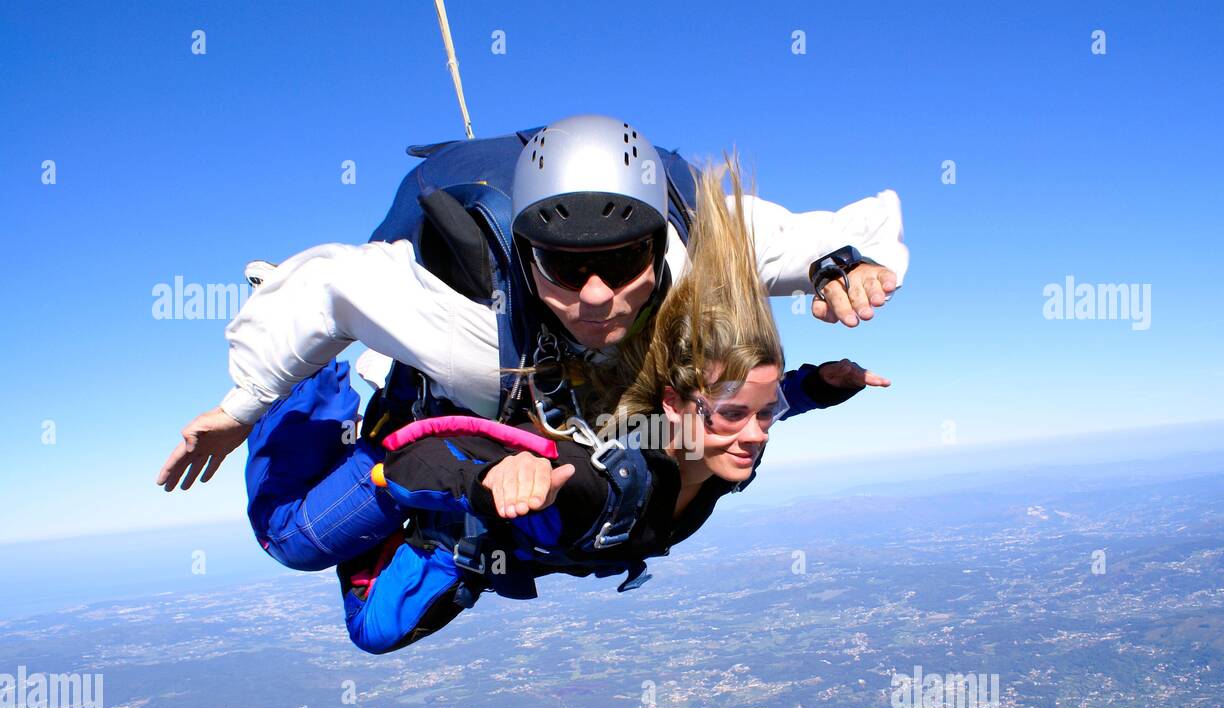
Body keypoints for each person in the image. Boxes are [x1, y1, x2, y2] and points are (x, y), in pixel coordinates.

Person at [155, 116, 904, 571]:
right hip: (447, 364)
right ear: (528, 256)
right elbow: (325, 286)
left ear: (655, 247)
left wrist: (837, 265)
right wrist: (246, 404)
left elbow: (787, 236)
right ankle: (333, 391)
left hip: (552, 414)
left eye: (622, 263)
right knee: (292, 540)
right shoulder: (471, 329)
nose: (598, 297)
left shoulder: (692, 251)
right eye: (567, 270)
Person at [336, 160, 877, 653]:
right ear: (676, 405)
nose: (757, 434)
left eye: (764, 415)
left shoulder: (708, 443)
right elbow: (417, 460)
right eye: (737, 416)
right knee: (372, 626)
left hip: (551, 545)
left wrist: (820, 388)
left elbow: (757, 405)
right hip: (476, 526)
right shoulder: (592, 480)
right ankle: (330, 387)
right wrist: (492, 476)